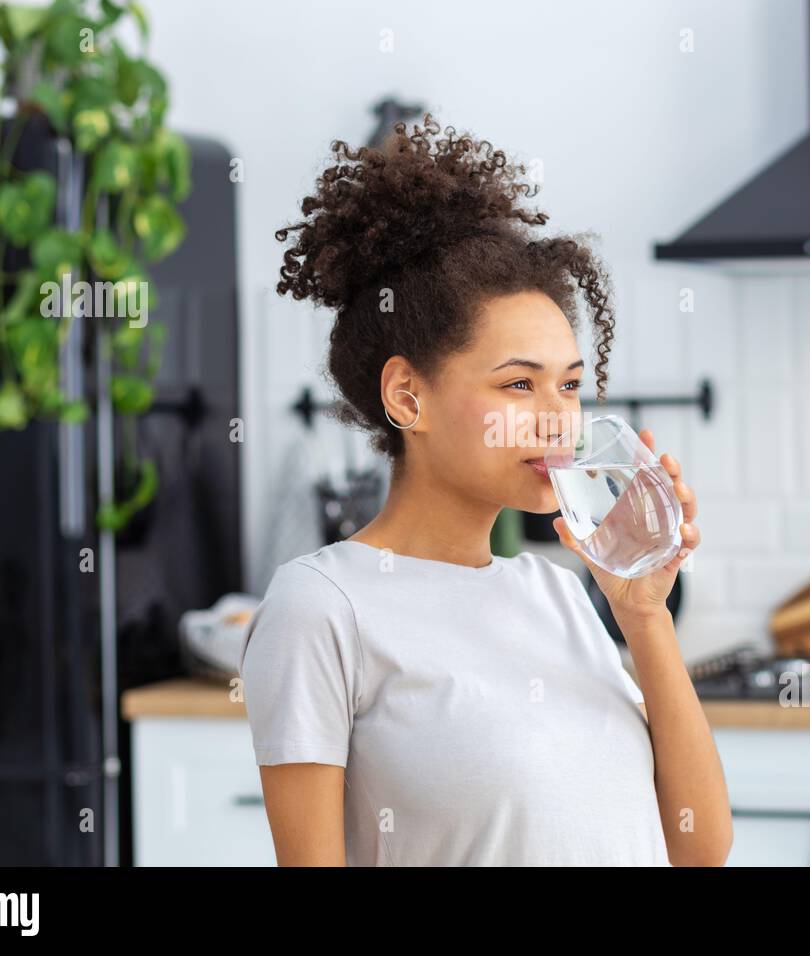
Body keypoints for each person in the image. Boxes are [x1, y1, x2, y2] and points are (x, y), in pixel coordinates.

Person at [239, 114, 730, 866]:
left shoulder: (559, 595)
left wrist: (645, 615)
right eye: (519, 384)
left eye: (569, 386)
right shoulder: (323, 607)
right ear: (408, 396)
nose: (558, 419)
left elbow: (700, 848)